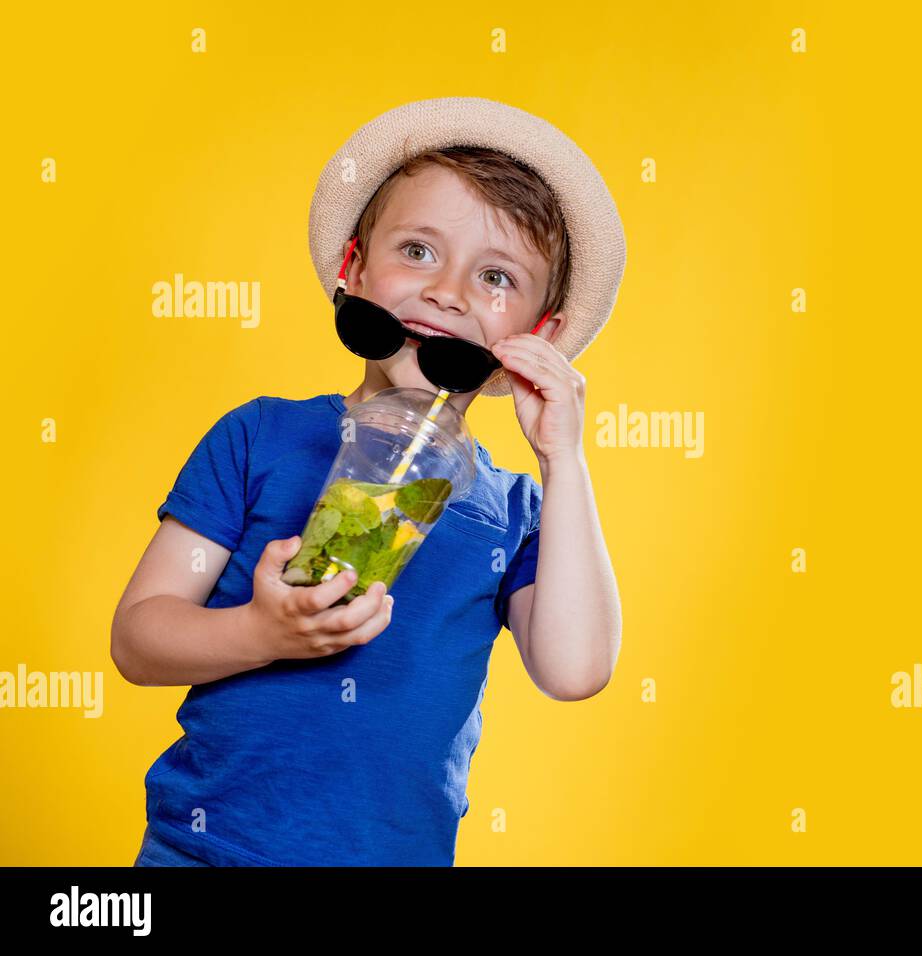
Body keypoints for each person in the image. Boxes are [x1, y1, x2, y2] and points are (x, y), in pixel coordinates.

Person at [113, 97, 626, 866]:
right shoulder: (260, 438)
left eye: (494, 276)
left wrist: (566, 459)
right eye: (418, 251)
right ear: (353, 268)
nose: (448, 291)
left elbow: (576, 669)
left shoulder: (516, 512)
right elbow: (139, 638)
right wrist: (261, 633)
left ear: (537, 335)